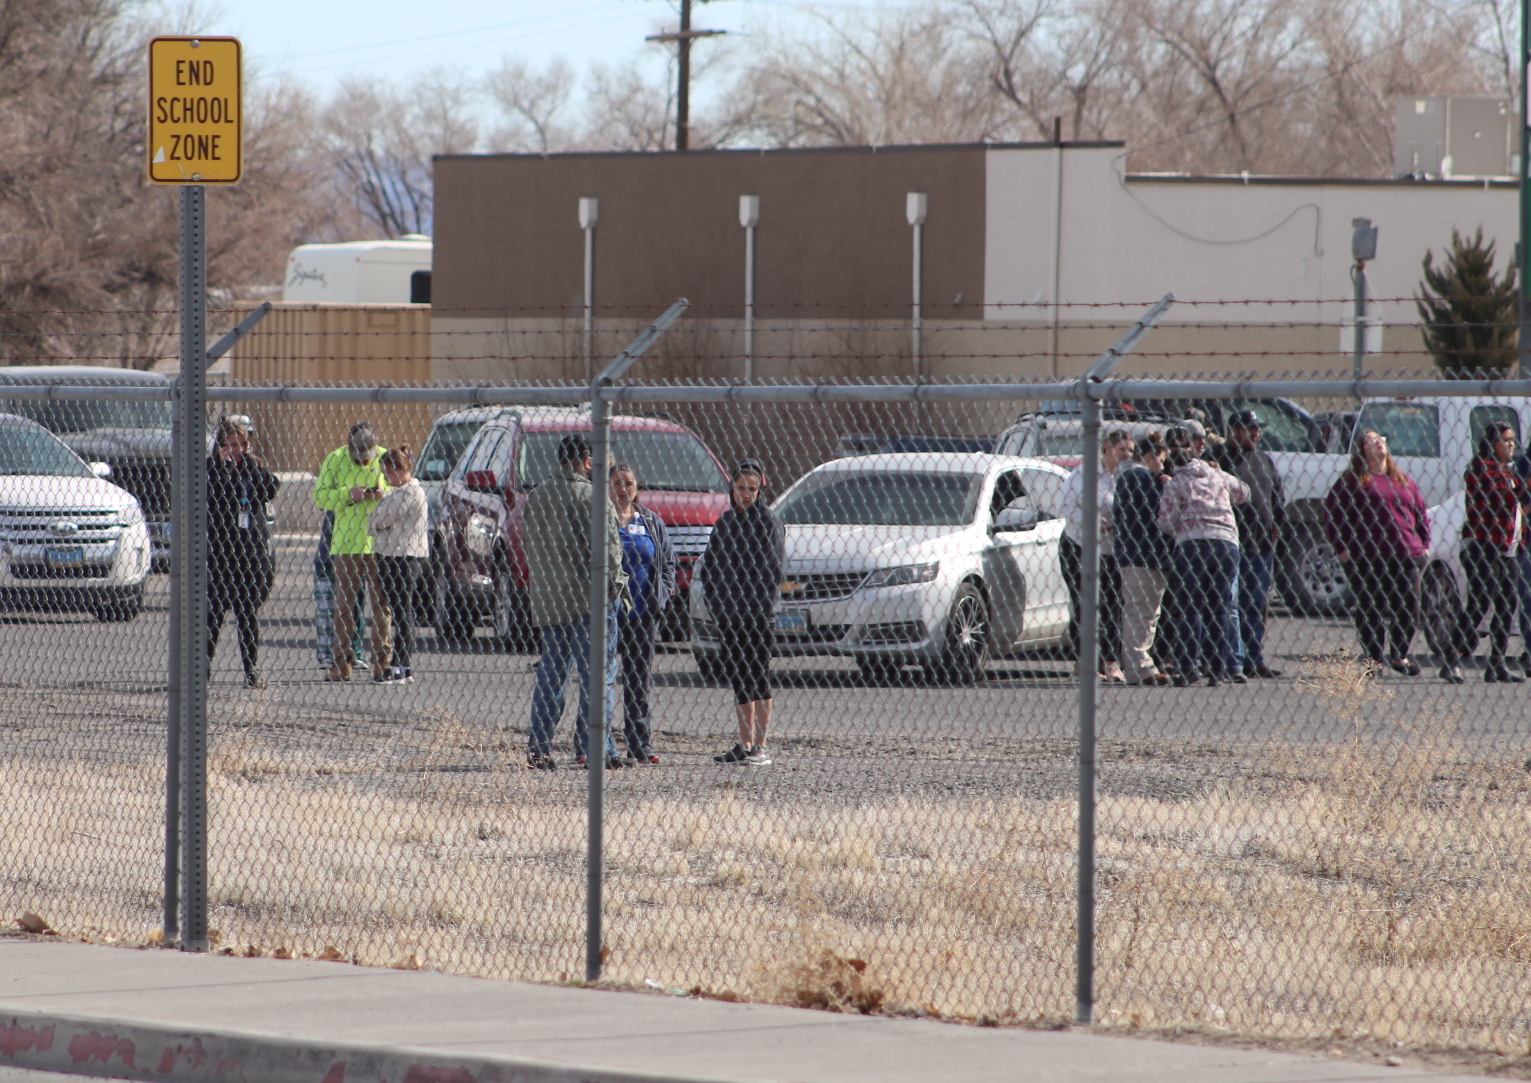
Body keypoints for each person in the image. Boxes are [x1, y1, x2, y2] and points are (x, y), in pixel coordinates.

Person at [524, 435, 627, 771]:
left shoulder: (536, 497)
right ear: (585, 461)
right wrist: (616, 590)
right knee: (598, 679)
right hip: (589, 603)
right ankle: (597, 748)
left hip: (551, 601)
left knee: (551, 678)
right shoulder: (593, 497)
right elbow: (610, 554)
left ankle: (539, 748)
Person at [1322, 431, 1431, 679]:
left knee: (1409, 606)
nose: (1379, 441)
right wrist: (1342, 550)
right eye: (1371, 440)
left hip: (1406, 554)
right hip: (1368, 558)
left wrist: (1424, 544)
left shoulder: (1402, 479)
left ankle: (1398, 655)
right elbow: (1332, 515)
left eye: (1380, 438)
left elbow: (1421, 512)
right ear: (1362, 450)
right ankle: (1373, 660)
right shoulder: (1353, 480)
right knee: (1371, 608)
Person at [704, 459, 785, 766]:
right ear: (732, 488)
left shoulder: (768, 522)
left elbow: (772, 570)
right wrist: (718, 605)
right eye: (740, 488)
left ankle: (761, 745)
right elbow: (709, 567)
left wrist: (755, 607)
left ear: (760, 488)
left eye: (752, 488)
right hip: (730, 616)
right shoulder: (724, 524)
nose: (746, 494)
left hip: (758, 616)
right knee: (739, 678)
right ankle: (745, 743)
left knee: (758, 675)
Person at [1158, 425, 1250, 687]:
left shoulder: (1176, 483)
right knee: (1219, 607)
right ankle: (1217, 669)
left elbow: (1165, 522)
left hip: (1192, 545)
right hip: (1225, 543)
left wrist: (1182, 523)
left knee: (1190, 607)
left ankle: (1188, 667)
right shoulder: (1216, 474)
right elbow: (1244, 493)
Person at [312, 422, 394, 683]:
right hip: (346, 544)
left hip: (380, 544)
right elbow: (320, 497)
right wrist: (349, 494)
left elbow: (401, 485)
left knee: (382, 605)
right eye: (358, 459)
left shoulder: (385, 456)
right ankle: (342, 661)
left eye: (367, 458)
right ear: (349, 448)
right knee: (345, 607)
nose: (363, 463)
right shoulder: (335, 459)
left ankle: (382, 662)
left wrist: (384, 494)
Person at [610, 462, 677, 765]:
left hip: (643, 615)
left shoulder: (650, 521)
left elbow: (667, 563)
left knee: (639, 682)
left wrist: (663, 594)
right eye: (616, 483)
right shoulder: (601, 520)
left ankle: (640, 745)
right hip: (609, 615)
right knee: (601, 681)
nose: (623, 489)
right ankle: (591, 745)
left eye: (628, 483)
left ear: (637, 487)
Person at [1212, 410, 1287, 679]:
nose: (1256, 433)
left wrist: (1277, 522)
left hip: (1261, 544)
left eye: (1258, 428)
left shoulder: (1264, 459)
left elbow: (1277, 494)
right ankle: (1233, 660)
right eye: (1249, 429)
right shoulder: (1218, 458)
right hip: (1230, 544)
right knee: (1229, 604)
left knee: (1256, 603)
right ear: (1233, 430)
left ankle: (1255, 658)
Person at [206, 418, 280, 689]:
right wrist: (225, 467)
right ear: (221, 446)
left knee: (247, 613)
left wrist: (249, 463)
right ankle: (204, 667)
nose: (238, 449)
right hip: (222, 552)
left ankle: (252, 670)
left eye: (243, 444)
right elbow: (219, 497)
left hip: (250, 552)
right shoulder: (211, 469)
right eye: (232, 445)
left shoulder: (254, 466)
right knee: (214, 613)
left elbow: (268, 490)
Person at [1454, 422, 1529, 683]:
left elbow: (1521, 499)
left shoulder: (1508, 471)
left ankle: (1496, 663)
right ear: (1491, 442)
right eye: (1505, 440)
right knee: (1479, 603)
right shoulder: (1481, 468)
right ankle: (1452, 658)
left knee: (1507, 604)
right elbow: (1504, 498)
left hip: (1507, 547)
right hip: (1483, 546)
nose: (1511, 445)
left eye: (1512, 441)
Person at [1059, 430, 1132, 682]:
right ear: (1108, 449)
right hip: (1079, 546)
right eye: (1123, 449)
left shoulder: (1125, 476)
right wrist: (1092, 520)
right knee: (1085, 603)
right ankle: (1084, 663)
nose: (1128, 455)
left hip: (1110, 550)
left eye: (1131, 450)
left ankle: (1112, 663)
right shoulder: (1084, 473)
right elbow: (1065, 507)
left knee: (1112, 605)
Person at [1112, 431, 1173, 685]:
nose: (1166, 463)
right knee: (1142, 613)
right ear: (1149, 457)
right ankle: (1139, 667)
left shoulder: (1127, 477)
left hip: (1133, 553)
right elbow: (1162, 512)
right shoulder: (1143, 478)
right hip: (1146, 555)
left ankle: (1140, 664)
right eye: (1163, 457)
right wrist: (1165, 481)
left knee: (1142, 612)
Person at [369, 445, 429, 684]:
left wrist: (377, 515)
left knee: (403, 611)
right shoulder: (398, 492)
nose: (385, 477)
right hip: (394, 555)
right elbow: (378, 520)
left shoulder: (409, 492)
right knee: (400, 609)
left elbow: (379, 519)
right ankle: (402, 665)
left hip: (403, 558)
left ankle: (400, 666)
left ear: (399, 469)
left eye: (387, 472)